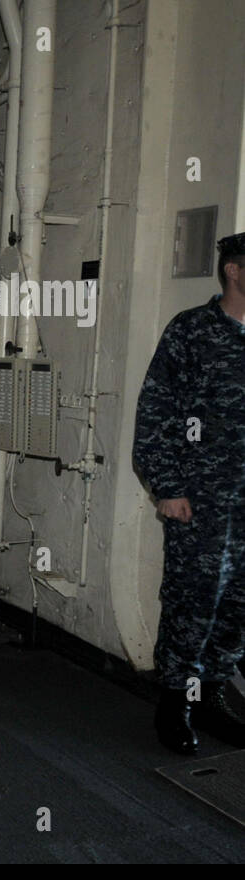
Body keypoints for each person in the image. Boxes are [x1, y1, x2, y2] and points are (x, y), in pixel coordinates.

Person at [134, 230, 245, 754]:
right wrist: (169, 487)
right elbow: (154, 414)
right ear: (234, 271)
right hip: (200, 503)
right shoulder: (192, 332)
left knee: (238, 607)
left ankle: (213, 696)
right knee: (192, 602)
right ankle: (174, 702)